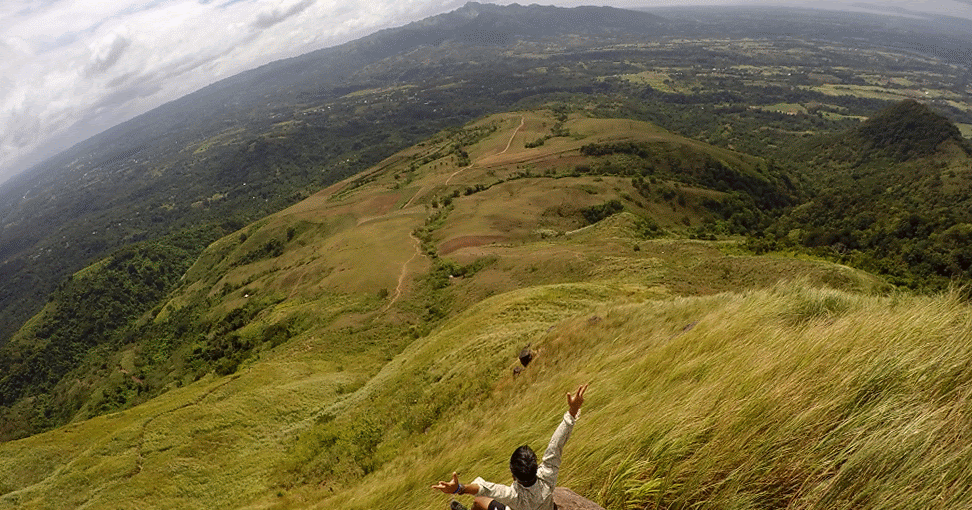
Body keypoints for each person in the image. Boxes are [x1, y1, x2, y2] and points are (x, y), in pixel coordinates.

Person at [432, 384, 589, 510]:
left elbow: (482, 489)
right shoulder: (548, 477)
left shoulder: (513, 496)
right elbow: (556, 444)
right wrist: (572, 411)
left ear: (514, 476)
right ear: (535, 466)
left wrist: (458, 488)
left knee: (479, 501)